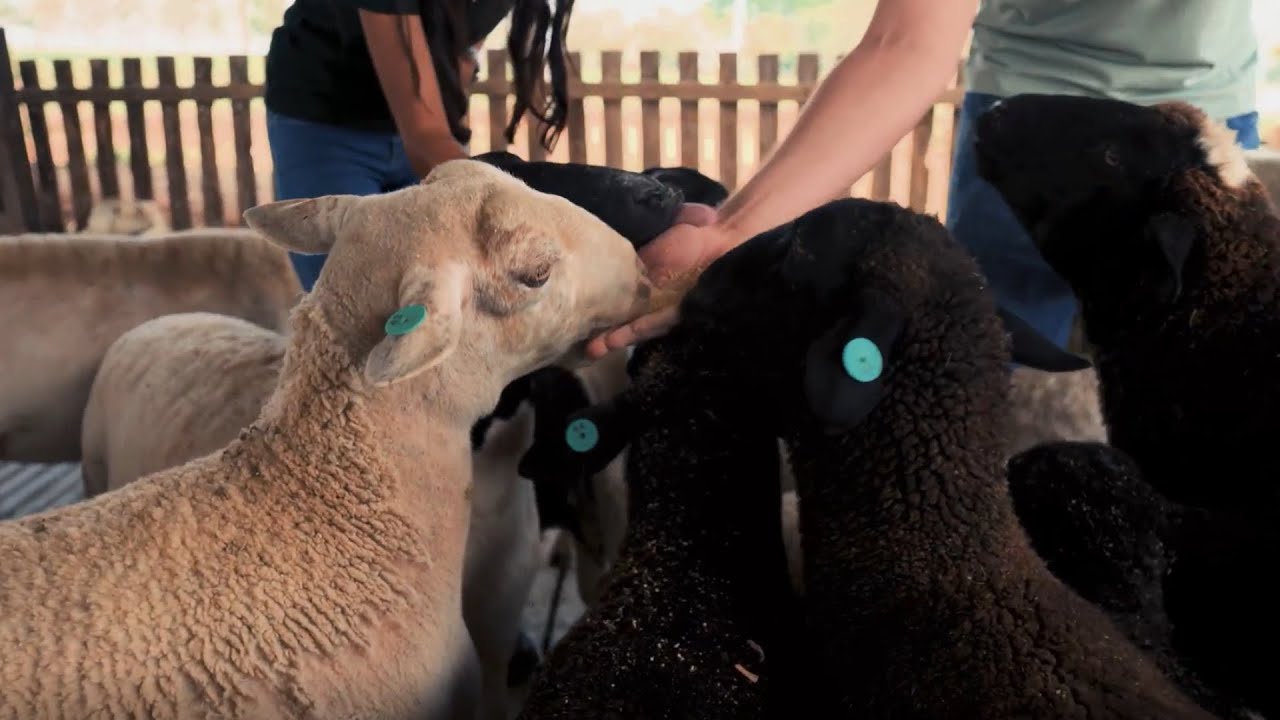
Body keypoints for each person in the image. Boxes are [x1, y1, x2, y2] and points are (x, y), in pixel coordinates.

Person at [586, 0, 1261, 359]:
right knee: (994, 383)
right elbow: (907, 41)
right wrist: (732, 236)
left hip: (1203, 127)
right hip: (1031, 128)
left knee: (1202, 397)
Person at [263, 0, 575, 290]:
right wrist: (524, 215)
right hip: (327, 120)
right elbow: (425, 136)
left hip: (426, 128)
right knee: (351, 296)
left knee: (443, 290)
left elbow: (461, 53)